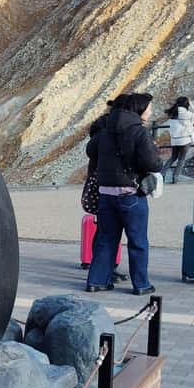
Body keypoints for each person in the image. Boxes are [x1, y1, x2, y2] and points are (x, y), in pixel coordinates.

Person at [85, 92, 162, 295]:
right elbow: (152, 163)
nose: (150, 111)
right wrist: (155, 155)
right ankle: (141, 285)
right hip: (131, 194)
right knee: (138, 242)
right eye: (149, 108)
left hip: (105, 195)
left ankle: (96, 281)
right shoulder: (139, 132)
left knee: (106, 239)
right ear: (139, 109)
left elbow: (90, 150)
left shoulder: (105, 131)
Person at [85, 98, 130, 284]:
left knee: (105, 230)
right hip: (103, 182)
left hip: (101, 179)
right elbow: (94, 151)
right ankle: (103, 270)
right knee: (104, 231)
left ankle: (106, 269)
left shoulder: (105, 124)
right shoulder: (106, 127)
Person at [162, 97, 194, 184]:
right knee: (181, 159)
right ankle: (175, 178)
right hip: (185, 140)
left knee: (173, 157)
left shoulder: (173, 114)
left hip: (175, 140)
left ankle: (162, 174)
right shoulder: (187, 114)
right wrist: (192, 106)